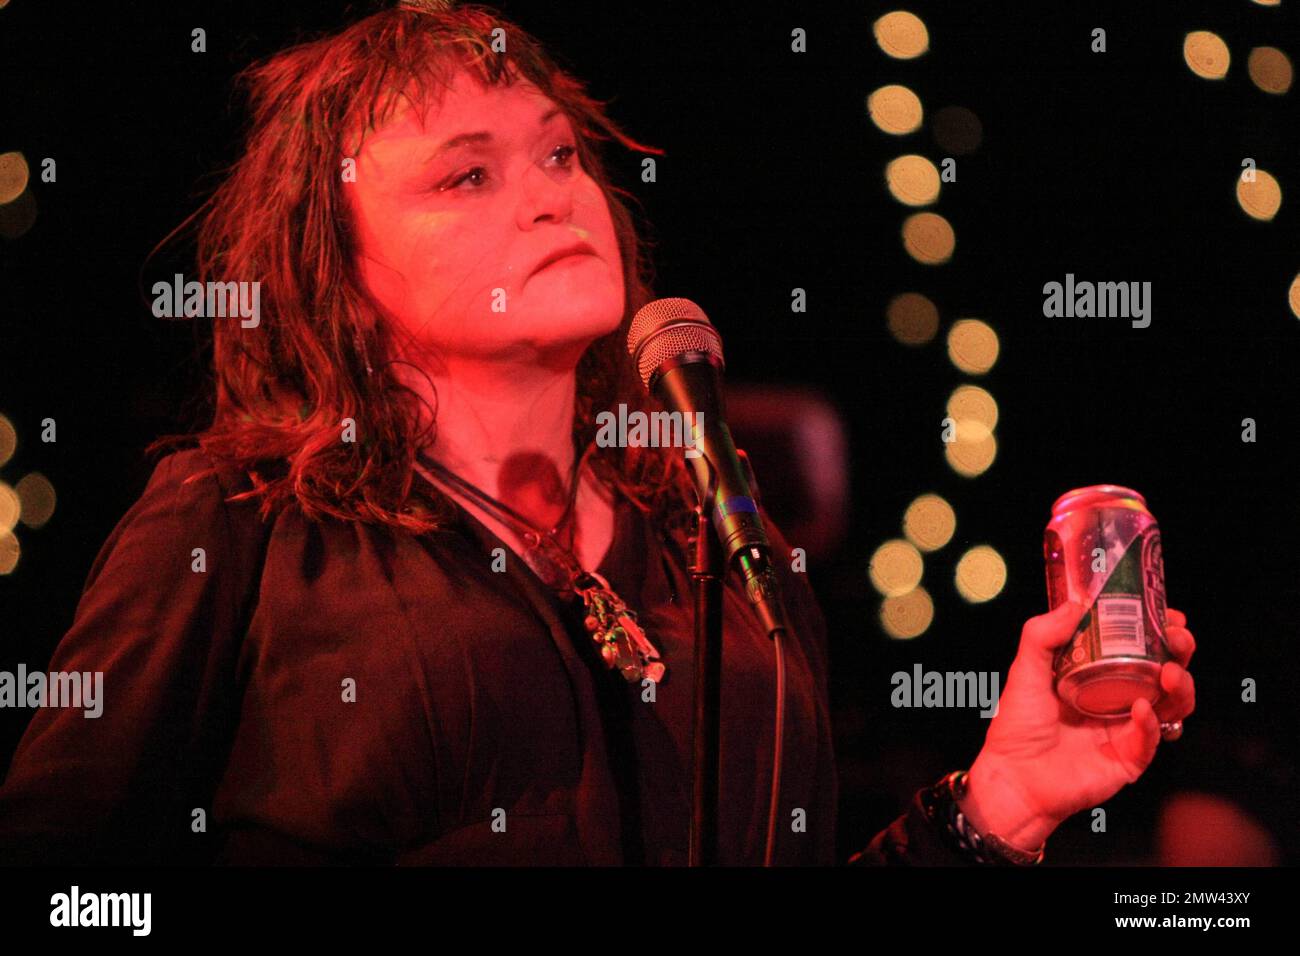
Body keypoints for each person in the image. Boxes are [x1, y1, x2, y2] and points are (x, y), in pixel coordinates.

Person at [0, 1, 1196, 866]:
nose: (550, 191)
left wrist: (999, 805)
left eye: (560, 153)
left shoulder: (730, 554)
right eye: (466, 175)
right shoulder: (240, 525)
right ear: (341, 271)